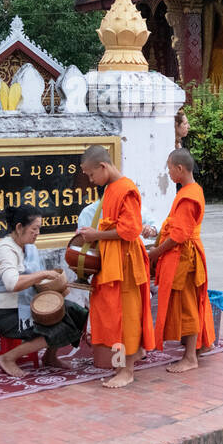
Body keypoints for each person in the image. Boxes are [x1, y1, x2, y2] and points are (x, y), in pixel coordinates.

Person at [76, 145, 156, 388]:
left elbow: (130, 231)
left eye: (91, 175)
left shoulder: (126, 189)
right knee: (113, 316)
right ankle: (121, 366)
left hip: (126, 263)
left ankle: (127, 370)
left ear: (103, 166)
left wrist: (96, 234)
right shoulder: (111, 189)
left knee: (127, 318)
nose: (91, 181)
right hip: (112, 262)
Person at [0, 206, 88, 377]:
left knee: (74, 312)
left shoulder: (29, 248)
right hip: (6, 313)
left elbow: (37, 282)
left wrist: (57, 288)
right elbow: (12, 283)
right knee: (59, 323)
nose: (38, 233)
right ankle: (7, 358)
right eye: (34, 229)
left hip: (29, 306)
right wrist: (42, 274)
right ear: (19, 228)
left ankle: (50, 356)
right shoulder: (5, 249)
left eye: (39, 228)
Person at [150, 149, 215, 371]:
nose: (168, 172)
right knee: (193, 302)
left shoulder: (189, 196)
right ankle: (200, 346)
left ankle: (190, 358)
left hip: (185, 257)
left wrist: (155, 253)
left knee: (187, 305)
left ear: (179, 168)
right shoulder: (191, 190)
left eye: (169, 168)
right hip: (186, 253)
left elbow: (179, 236)